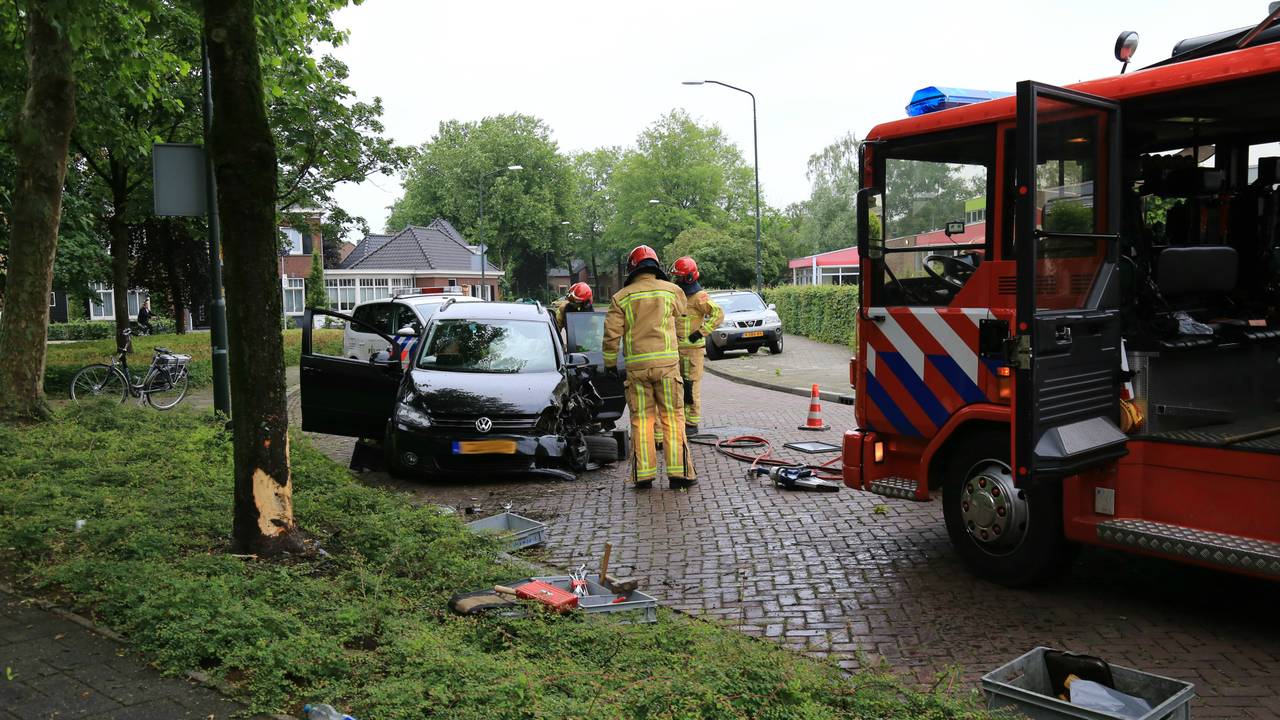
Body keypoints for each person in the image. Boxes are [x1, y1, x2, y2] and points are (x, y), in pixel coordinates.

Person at [603, 245, 696, 490]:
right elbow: (680, 319)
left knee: (642, 420)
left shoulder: (621, 297)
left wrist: (610, 364)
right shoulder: (673, 291)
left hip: (637, 370)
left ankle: (643, 476)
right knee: (673, 417)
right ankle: (680, 474)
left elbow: (611, 335)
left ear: (632, 269)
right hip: (667, 367)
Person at [669, 256, 723, 435]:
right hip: (675, 351)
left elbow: (718, 314)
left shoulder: (700, 297)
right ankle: (680, 421)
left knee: (691, 387)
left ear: (689, 277)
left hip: (693, 352)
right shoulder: (676, 295)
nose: (676, 280)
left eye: (679, 277)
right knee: (677, 387)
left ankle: (691, 424)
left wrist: (701, 332)